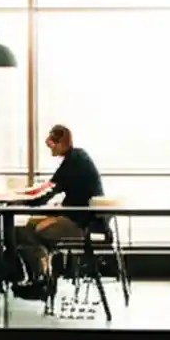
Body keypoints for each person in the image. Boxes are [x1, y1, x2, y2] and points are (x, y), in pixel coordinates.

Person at [13, 124, 104, 299]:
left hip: (81, 223)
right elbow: (51, 189)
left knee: (32, 231)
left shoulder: (73, 162)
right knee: (26, 227)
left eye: (52, 144)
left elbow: (45, 195)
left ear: (61, 142)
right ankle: (41, 277)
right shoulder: (77, 157)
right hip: (85, 218)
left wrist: (19, 199)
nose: (50, 149)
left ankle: (42, 281)